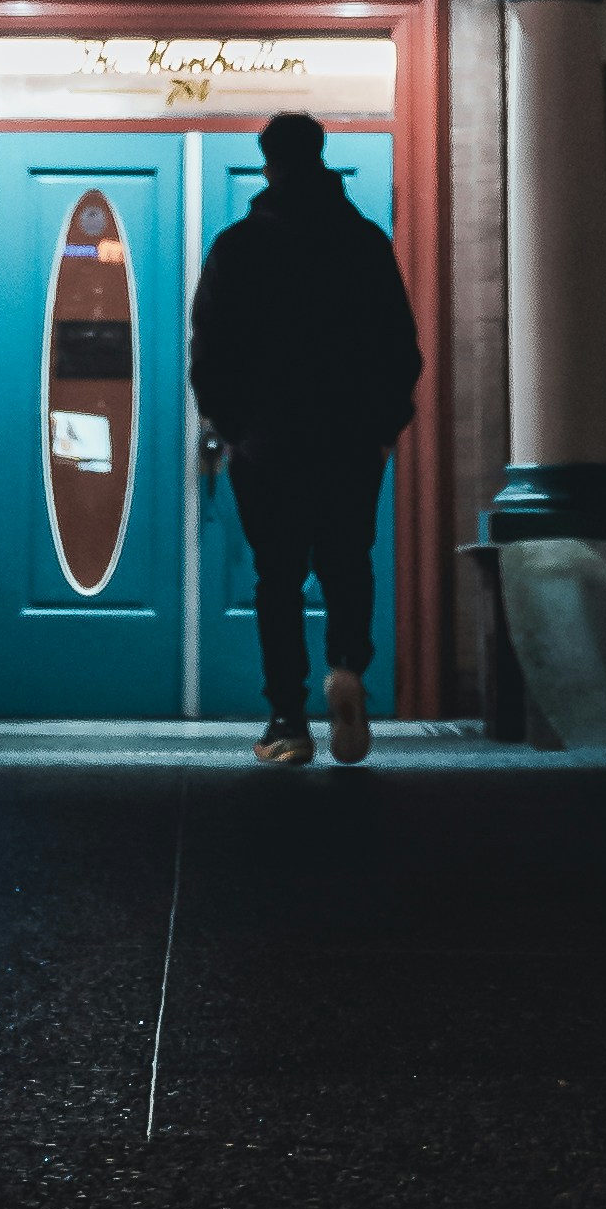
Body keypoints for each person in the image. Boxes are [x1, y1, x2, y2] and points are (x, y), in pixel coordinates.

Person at [187, 110, 423, 768]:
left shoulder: (238, 247)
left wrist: (234, 428)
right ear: (321, 156)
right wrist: (381, 430)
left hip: (269, 443)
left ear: (269, 163)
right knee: (347, 560)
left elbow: (209, 351)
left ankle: (288, 720)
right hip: (349, 441)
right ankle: (346, 666)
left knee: (278, 577)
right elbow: (400, 349)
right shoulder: (364, 243)